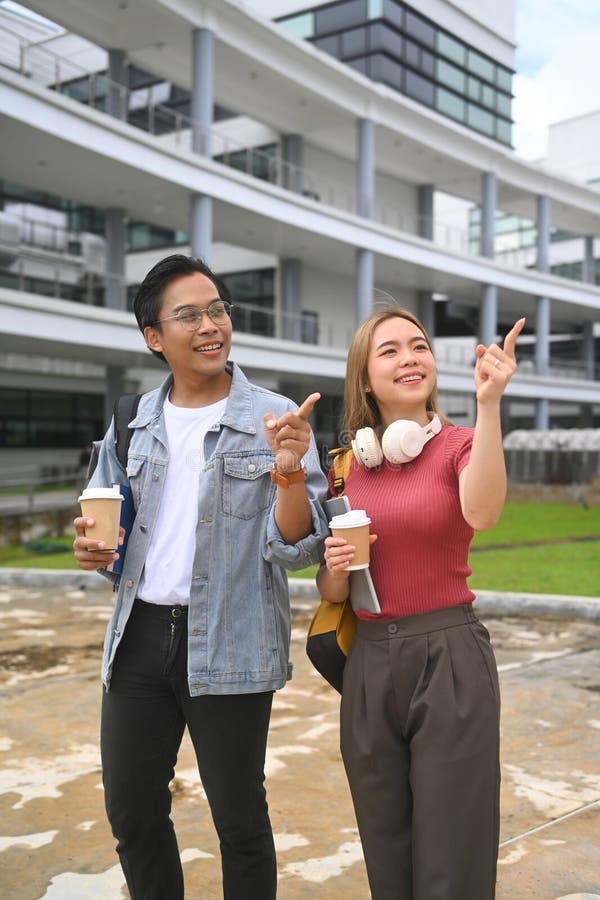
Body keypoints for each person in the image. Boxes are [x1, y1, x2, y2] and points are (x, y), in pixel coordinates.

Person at [72, 254, 329, 900]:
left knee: (239, 821)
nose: (211, 325)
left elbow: (297, 551)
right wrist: (95, 551)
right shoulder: (132, 420)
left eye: (217, 310)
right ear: (154, 337)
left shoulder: (277, 418)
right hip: (138, 638)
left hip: (231, 637)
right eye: (189, 315)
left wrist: (288, 473)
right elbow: (109, 529)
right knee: (132, 813)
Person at [317, 306, 525, 900]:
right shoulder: (346, 468)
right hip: (368, 664)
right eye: (389, 351)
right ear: (364, 378)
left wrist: (489, 404)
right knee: (386, 846)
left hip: (449, 657)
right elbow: (332, 589)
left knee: (452, 851)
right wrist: (335, 570)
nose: (409, 358)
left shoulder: (460, 446)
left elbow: (483, 512)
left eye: (419, 346)